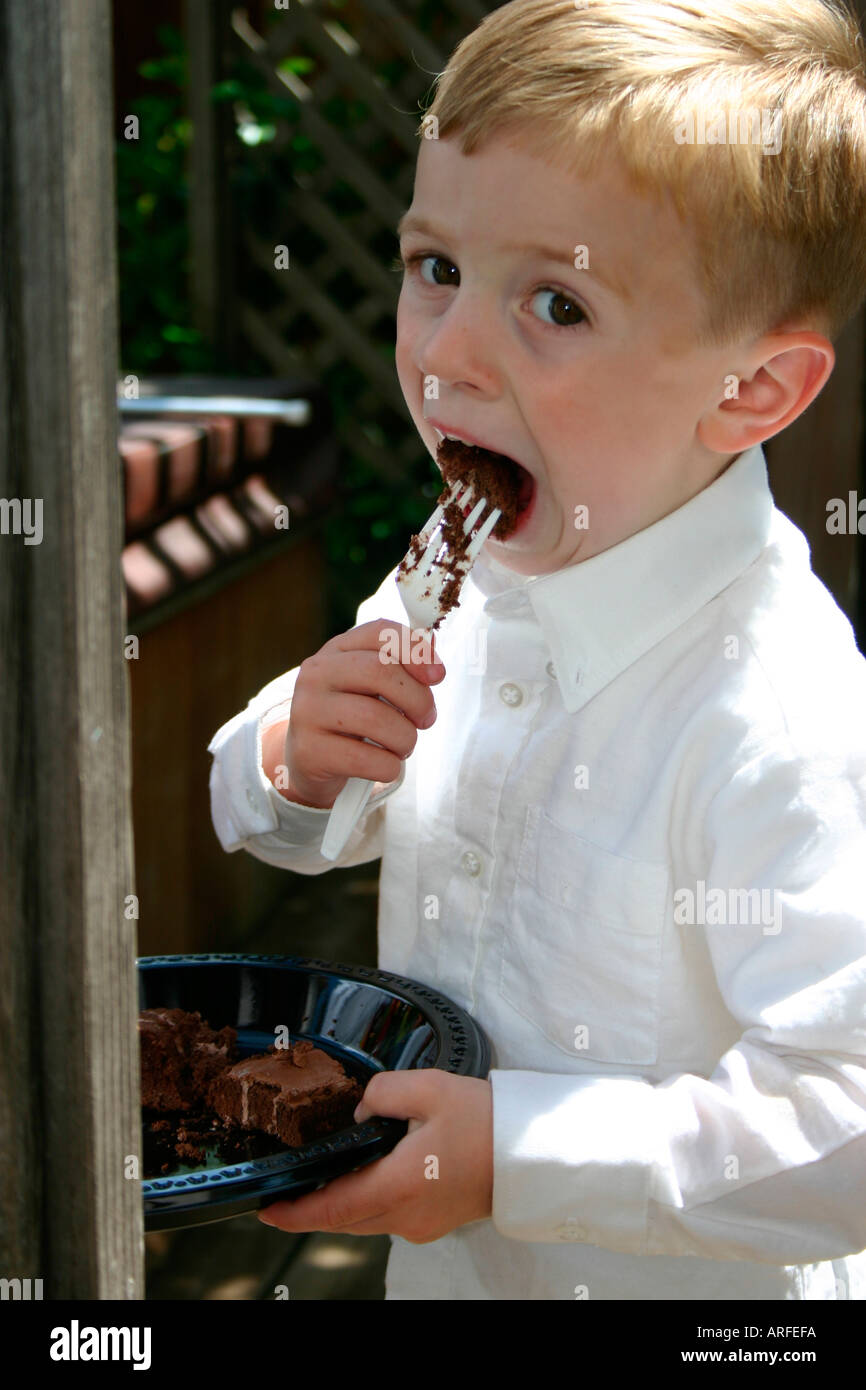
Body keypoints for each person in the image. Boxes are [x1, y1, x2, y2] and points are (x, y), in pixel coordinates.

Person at [208, 0, 866, 1299]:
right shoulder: (464, 562)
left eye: (553, 303)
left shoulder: (776, 713)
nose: (446, 351)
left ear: (748, 390)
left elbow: (841, 1116)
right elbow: (298, 809)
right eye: (434, 265)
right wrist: (287, 754)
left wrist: (519, 1154)